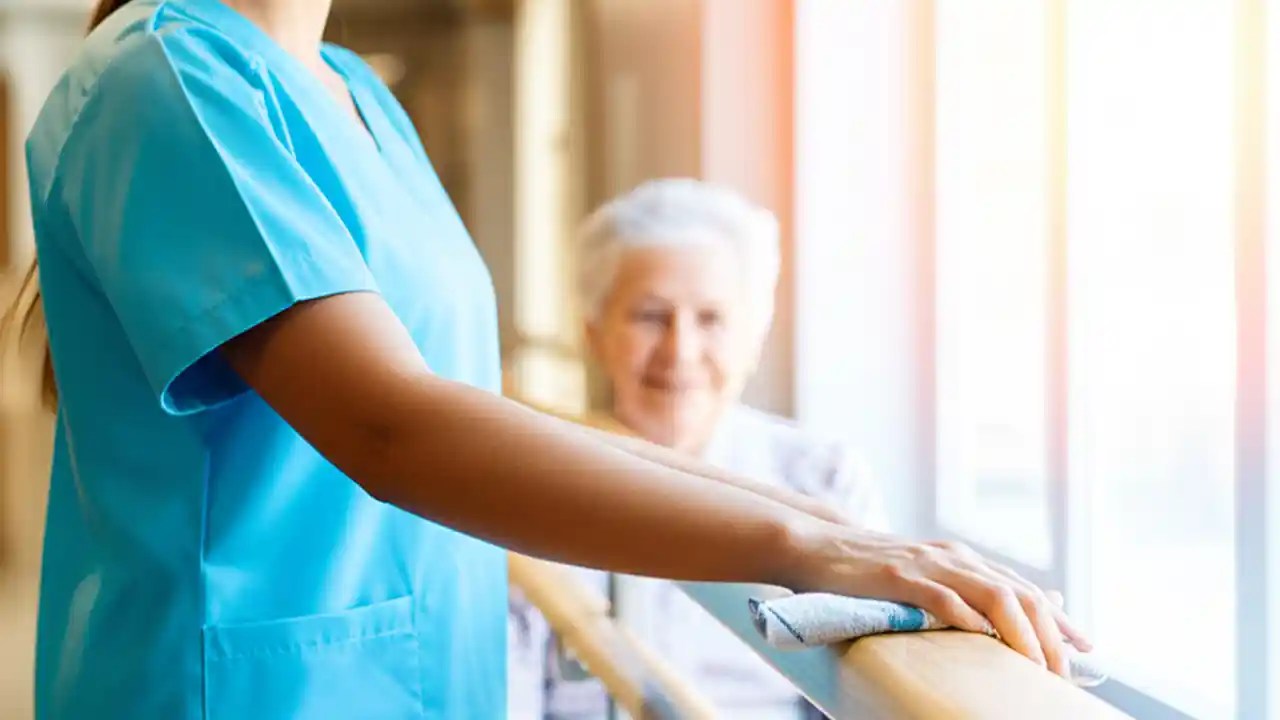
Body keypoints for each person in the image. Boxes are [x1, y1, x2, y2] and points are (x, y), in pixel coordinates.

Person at [1, 1, 1087, 718]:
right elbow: (394, 426)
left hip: (422, 681)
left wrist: (850, 536)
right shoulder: (165, 76)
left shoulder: (355, 96)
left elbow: (460, 405)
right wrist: (802, 547)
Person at [509, 180, 887, 719]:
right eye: (650, 316)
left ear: (754, 336)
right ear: (593, 333)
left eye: (710, 319)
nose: (680, 350)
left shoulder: (823, 478)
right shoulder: (531, 482)